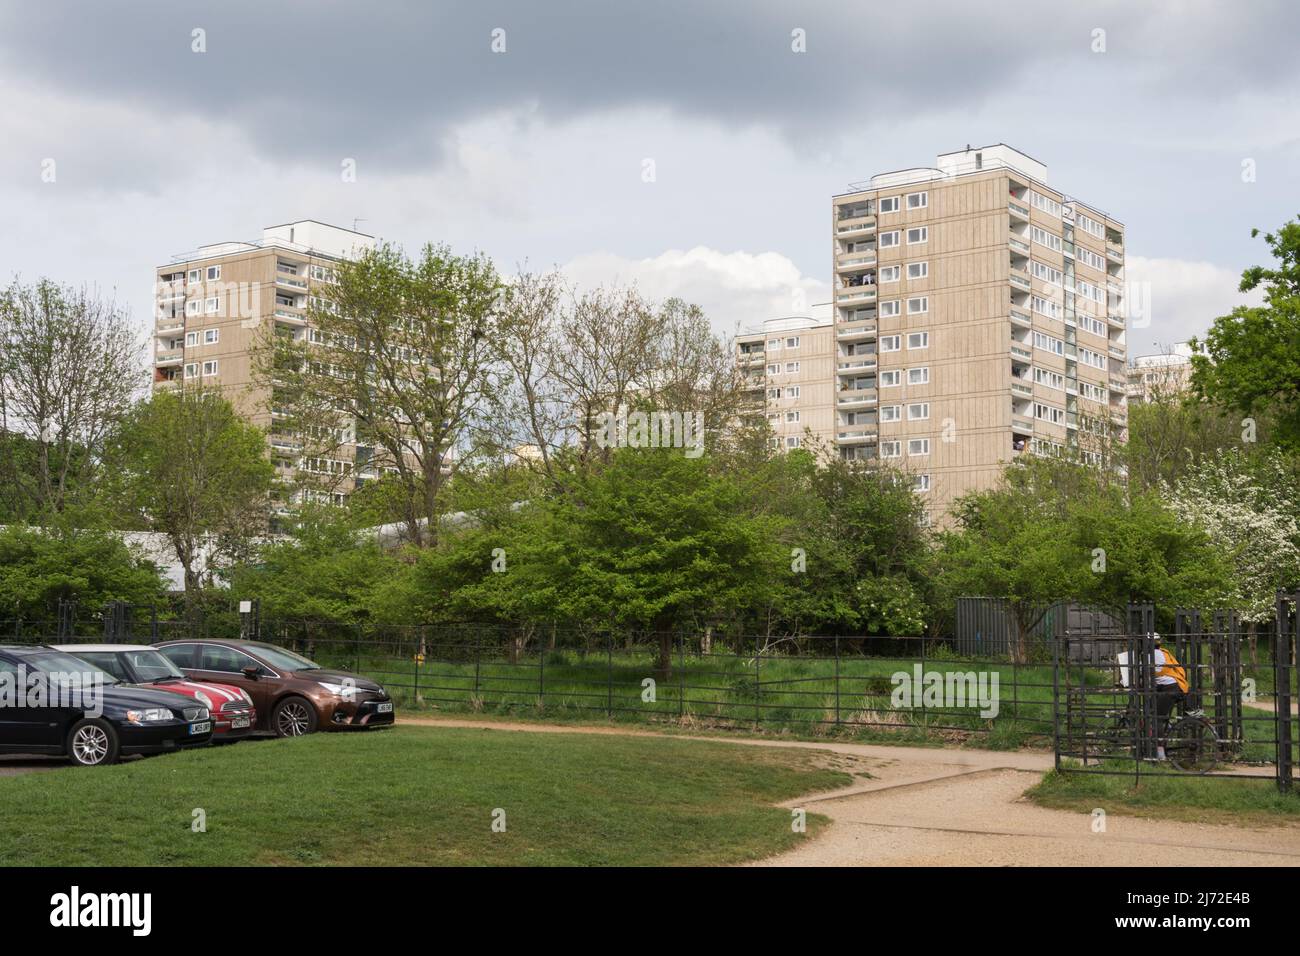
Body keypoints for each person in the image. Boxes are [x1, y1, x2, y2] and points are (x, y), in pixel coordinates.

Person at [1151, 633, 1189, 760]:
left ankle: (1160, 752)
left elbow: (1145, 672)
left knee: (1157, 718)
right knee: (1160, 715)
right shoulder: (1162, 652)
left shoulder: (1151, 655)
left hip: (1171, 688)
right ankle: (1163, 738)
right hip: (1175, 686)